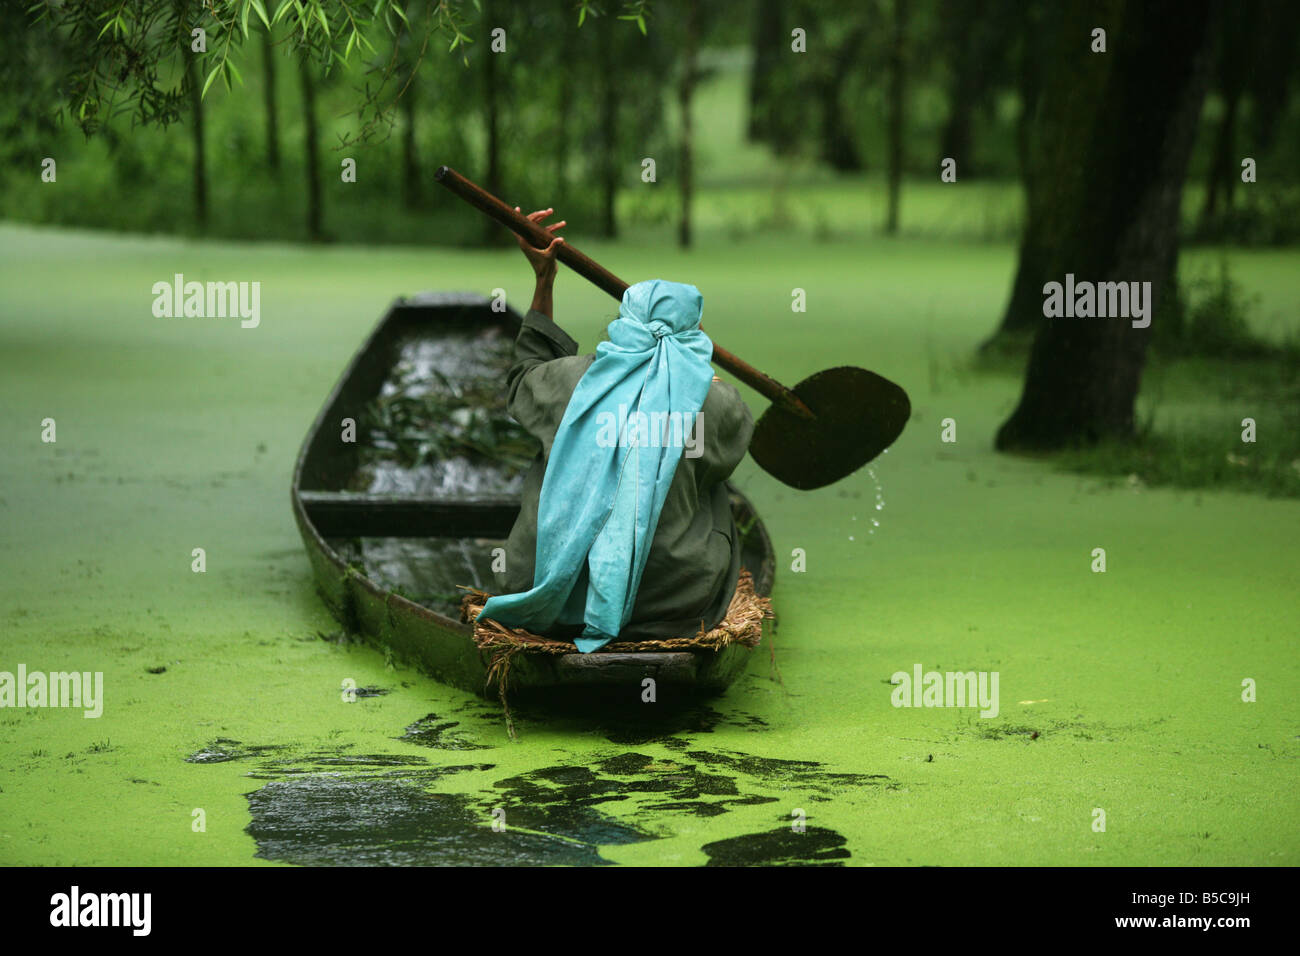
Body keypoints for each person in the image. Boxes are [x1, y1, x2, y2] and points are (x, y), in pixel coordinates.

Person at [478, 208, 754, 653]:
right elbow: (734, 440)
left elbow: (523, 372)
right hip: (673, 601)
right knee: (713, 485)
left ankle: (575, 598)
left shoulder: (568, 381)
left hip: (546, 595)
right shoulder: (716, 402)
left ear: (626, 323)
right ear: (694, 337)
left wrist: (544, 279)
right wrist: (700, 375)